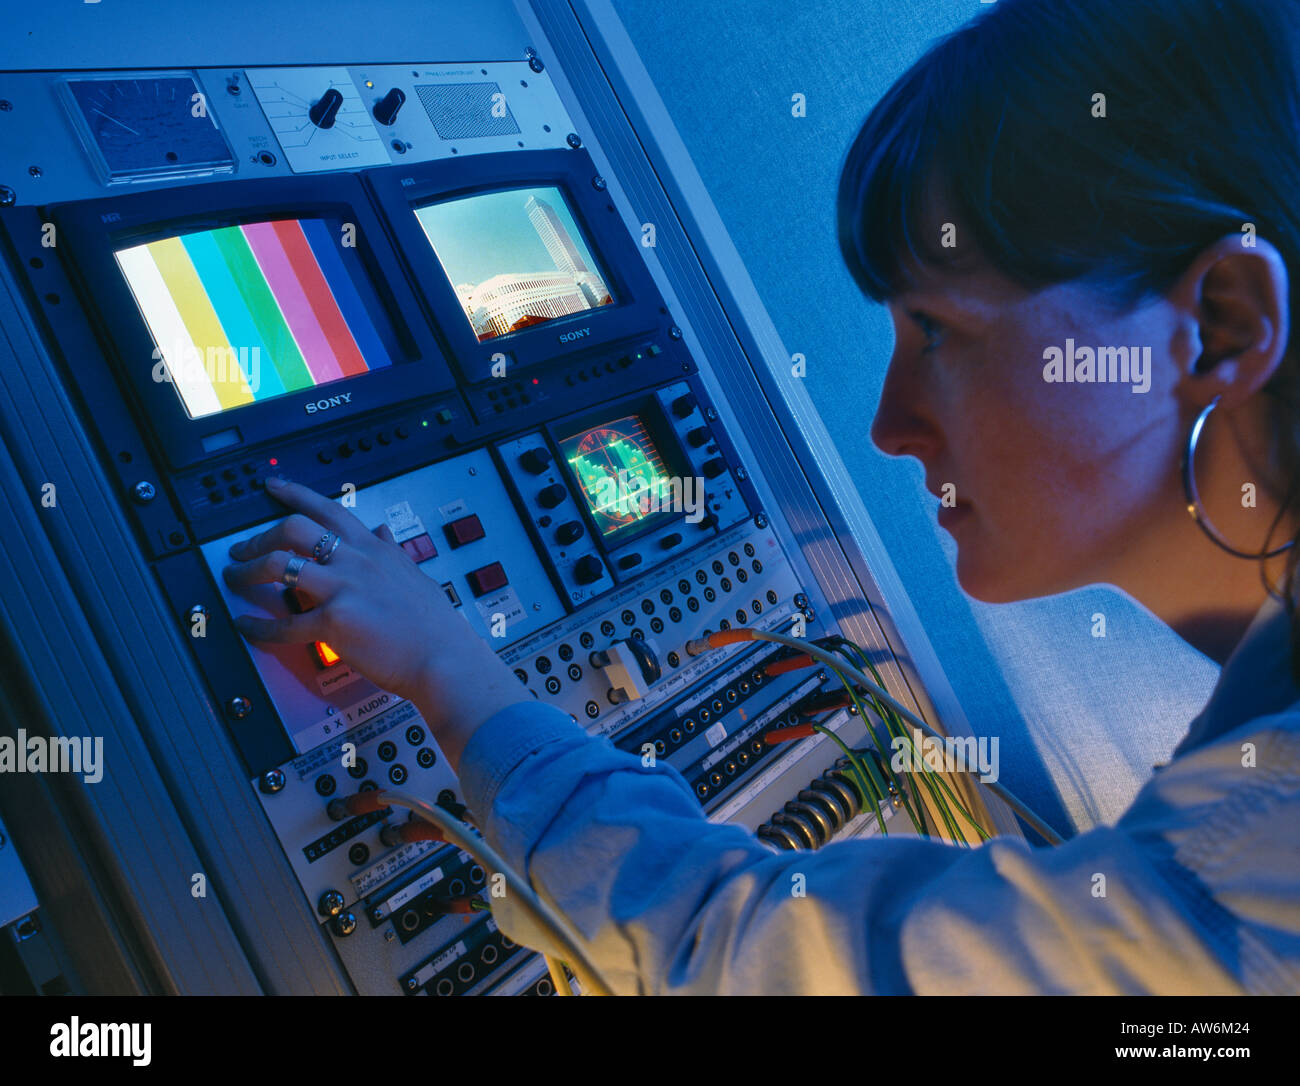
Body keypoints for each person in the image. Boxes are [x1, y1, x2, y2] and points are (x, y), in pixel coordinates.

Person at [222, 0, 1300, 994]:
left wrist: (450, 674)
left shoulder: (1242, 866)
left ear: (1222, 327)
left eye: (940, 331)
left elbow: (728, 952)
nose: (887, 423)